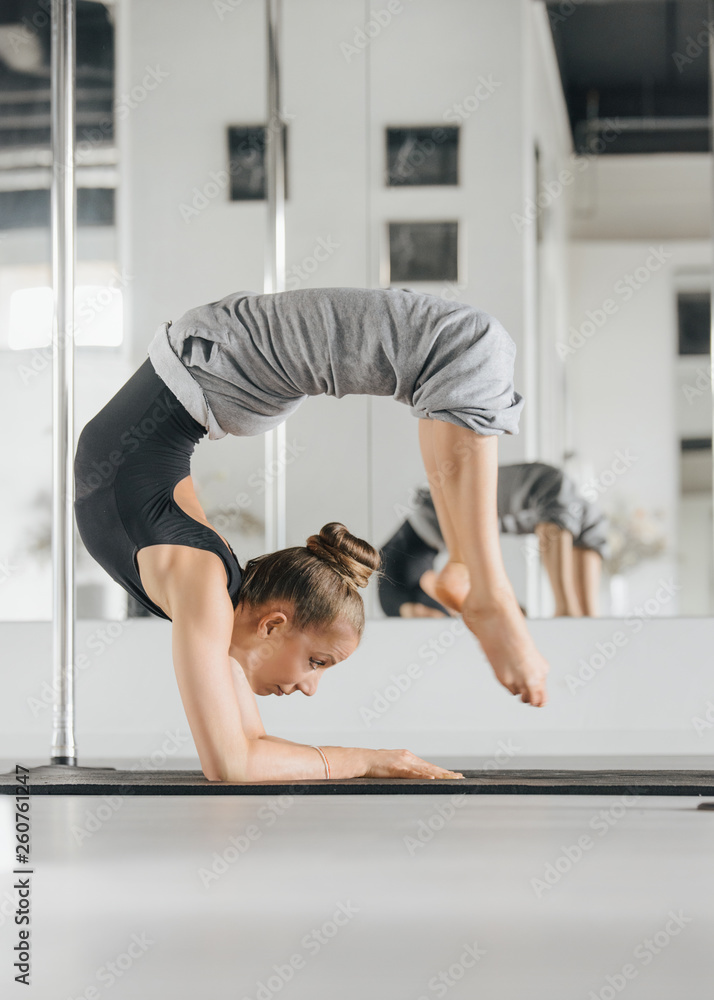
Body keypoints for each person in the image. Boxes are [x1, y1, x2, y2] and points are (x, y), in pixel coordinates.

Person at [73, 286, 550, 783]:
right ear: (274, 625)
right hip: (217, 358)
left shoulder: (211, 597)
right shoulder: (209, 592)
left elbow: (247, 751)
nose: (310, 688)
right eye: (318, 662)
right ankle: (484, 589)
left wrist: (370, 760)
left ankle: (470, 574)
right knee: (468, 345)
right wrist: (366, 760)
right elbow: (233, 763)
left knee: (461, 353)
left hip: (217, 361)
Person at [378, 462, 609, 619]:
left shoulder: (401, 587)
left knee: (567, 505)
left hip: (409, 556)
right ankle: (572, 612)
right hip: (415, 555)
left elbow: (451, 587)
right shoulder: (409, 590)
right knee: (581, 518)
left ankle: (569, 611)